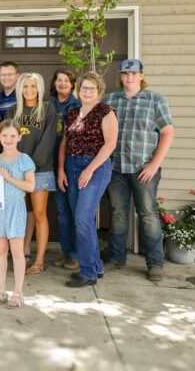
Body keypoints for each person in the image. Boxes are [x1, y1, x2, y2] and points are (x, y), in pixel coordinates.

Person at [103, 59, 174, 283]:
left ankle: (155, 263)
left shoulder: (155, 99)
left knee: (148, 214)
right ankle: (116, 258)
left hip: (144, 169)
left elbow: (167, 133)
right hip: (116, 169)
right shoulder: (110, 100)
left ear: (141, 76)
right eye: (126, 73)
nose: (130, 77)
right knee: (118, 213)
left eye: (134, 73)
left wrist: (154, 164)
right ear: (121, 76)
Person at [58, 72, 118, 287]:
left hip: (96, 167)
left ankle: (88, 272)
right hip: (72, 167)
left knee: (83, 219)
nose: (87, 92)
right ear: (78, 90)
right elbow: (64, 143)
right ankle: (96, 265)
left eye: (92, 88)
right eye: (84, 88)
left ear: (99, 91)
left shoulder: (105, 112)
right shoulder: (72, 113)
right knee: (81, 220)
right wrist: (61, 170)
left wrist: (90, 169)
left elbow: (110, 144)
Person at [5, 72, 57, 275]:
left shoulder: (48, 110)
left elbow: (47, 141)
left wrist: (29, 166)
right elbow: (7, 139)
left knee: (39, 214)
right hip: (16, 170)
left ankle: (40, 260)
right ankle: (19, 254)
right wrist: (15, 167)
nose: (29, 90)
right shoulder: (13, 110)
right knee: (17, 213)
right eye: (25, 86)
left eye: (33, 87)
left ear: (39, 88)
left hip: (40, 170)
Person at [0, 120, 35, 308]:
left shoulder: (24, 159)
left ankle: (18, 291)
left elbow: (30, 186)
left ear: (19, 137)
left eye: (12, 136)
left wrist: (8, 177)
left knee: (17, 251)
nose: (8, 139)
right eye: (4, 135)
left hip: (15, 208)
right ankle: (1, 288)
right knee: (0, 250)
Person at [49, 69, 81, 270]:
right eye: (58, 80)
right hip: (51, 163)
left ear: (72, 84)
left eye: (66, 80)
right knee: (61, 212)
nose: (62, 83)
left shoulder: (78, 105)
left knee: (75, 210)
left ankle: (77, 255)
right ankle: (66, 252)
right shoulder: (48, 105)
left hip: (72, 163)